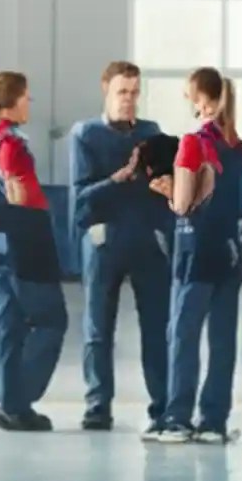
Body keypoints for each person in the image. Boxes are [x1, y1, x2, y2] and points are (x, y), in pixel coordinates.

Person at [69, 60, 175, 437]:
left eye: (134, 92)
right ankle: (97, 406)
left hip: (147, 242)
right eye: (122, 92)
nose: (129, 99)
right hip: (104, 243)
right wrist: (117, 179)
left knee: (157, 329)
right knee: (98, 329)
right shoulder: (85, 135)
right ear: (106, 90)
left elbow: (164, 189)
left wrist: (167, 234)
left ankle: (163, 408)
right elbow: (80, 196)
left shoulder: (151, 133)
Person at [149, 67, 242, 444]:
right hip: (230, 252)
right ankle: (213, 422)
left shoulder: (192, 143)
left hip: (195, 253)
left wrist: (167, 190)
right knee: (223, 340)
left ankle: (177, 419)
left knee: (184, 336)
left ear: (199, 100)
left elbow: (183, 204)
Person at [0, 72, 68, 431]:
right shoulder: (11, 144)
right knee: (52, 321)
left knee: (7, 325)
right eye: (26, 97)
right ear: (11, 101)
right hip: (22, 244)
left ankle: (8, 402)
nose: (30, 103)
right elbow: (20, 196)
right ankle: (19, 398)